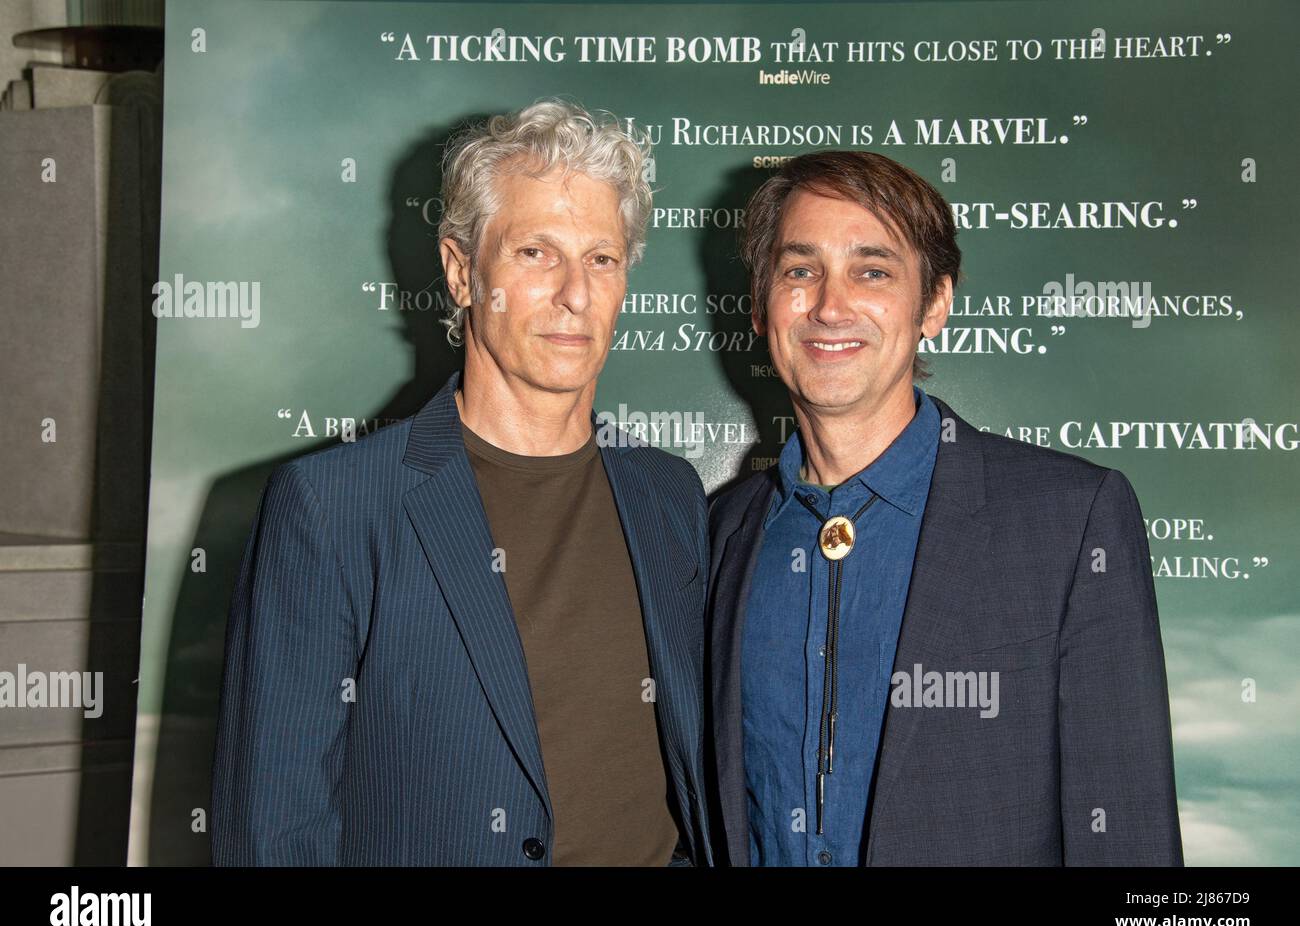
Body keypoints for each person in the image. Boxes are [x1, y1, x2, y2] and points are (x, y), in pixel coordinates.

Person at [212, 98, 711, 866]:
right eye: (536, 253)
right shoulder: (334, 507)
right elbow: (274, 831)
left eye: (601, 259)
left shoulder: (670, 495)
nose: (575, 292)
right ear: (460, 271)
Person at [706, 150, 1182, 866]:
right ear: (759, 304)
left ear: (935, 303)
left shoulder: (1069, 521)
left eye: (873, 271)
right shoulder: (719, 534)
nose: (830, 305)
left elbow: (1130, 844)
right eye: (799, 271)